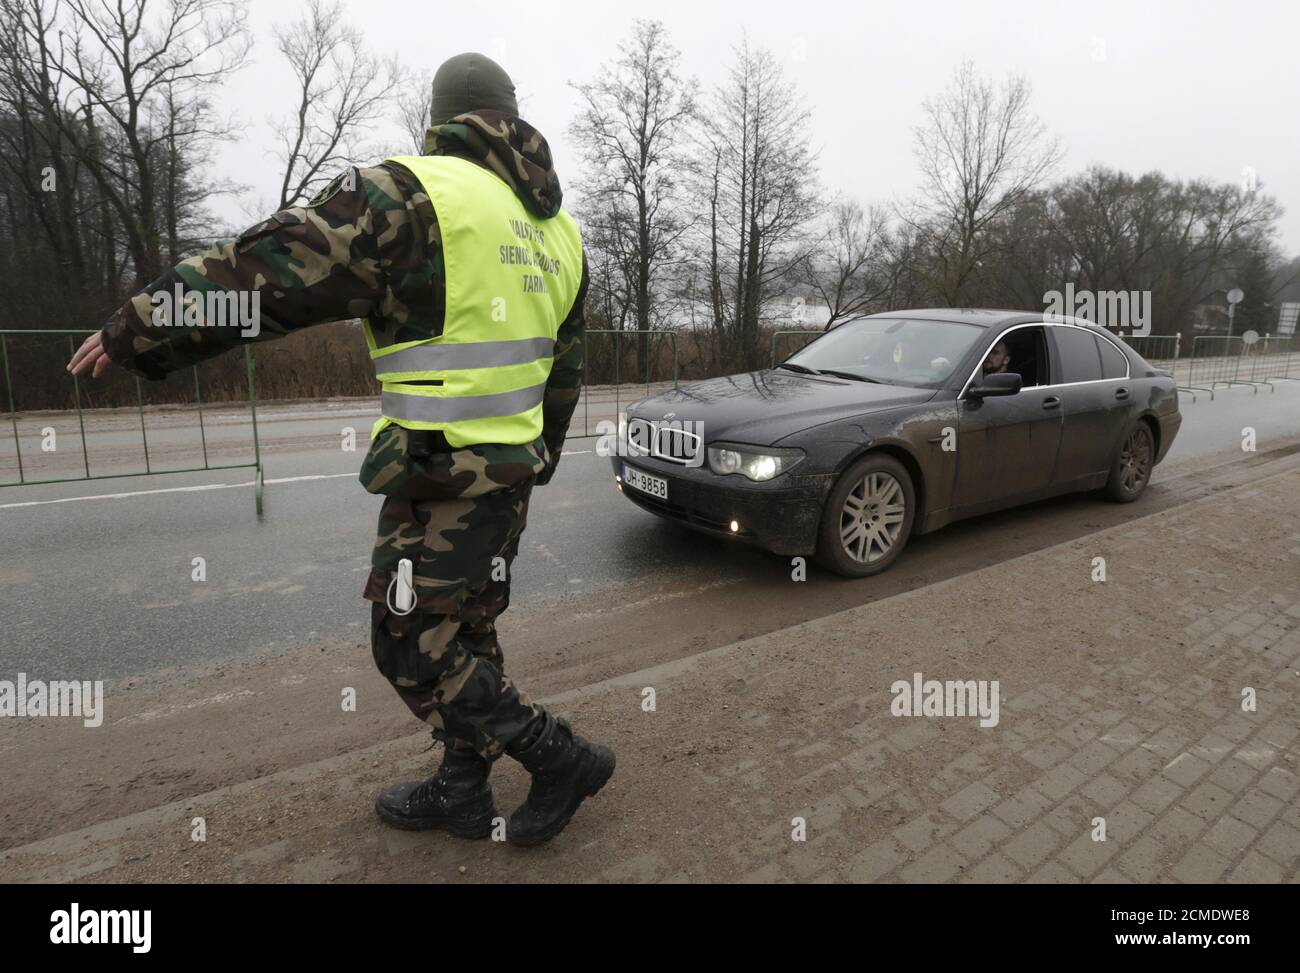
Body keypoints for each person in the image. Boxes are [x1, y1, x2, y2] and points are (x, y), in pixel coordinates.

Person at [67, 52, 615, 848]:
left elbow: (259, 273)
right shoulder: (558, 232)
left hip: (438, 471)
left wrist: (136, 332)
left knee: (411, 647)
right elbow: (565, 376)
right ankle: (464, 791)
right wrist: (537, 459)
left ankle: (558, 756)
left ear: (442, 121)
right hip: (508, 477)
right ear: (511, 117)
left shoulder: (408, 196)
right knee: (466, 633)